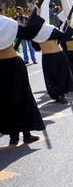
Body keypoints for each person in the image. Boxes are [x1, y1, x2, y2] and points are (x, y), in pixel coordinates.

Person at [0, 11, 45, 145]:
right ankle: (26, 134)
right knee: (23, 98)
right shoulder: (6, 22)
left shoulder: (7, 22)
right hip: (13, 63)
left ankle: (13, 136)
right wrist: (36, 16)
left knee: (6, 101)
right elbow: (28, 33)